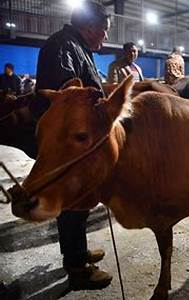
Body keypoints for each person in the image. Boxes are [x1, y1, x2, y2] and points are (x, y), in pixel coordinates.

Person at [31, 1, 113, 290]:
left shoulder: (75, 46)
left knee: (80, 200)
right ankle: (77, 267)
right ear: (90, 28)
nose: (105, 37)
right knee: (72, 200)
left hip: (74, 141)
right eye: (103, 30)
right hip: (66, 144)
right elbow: (70, 99)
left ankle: (78, 251)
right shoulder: (63, 46)